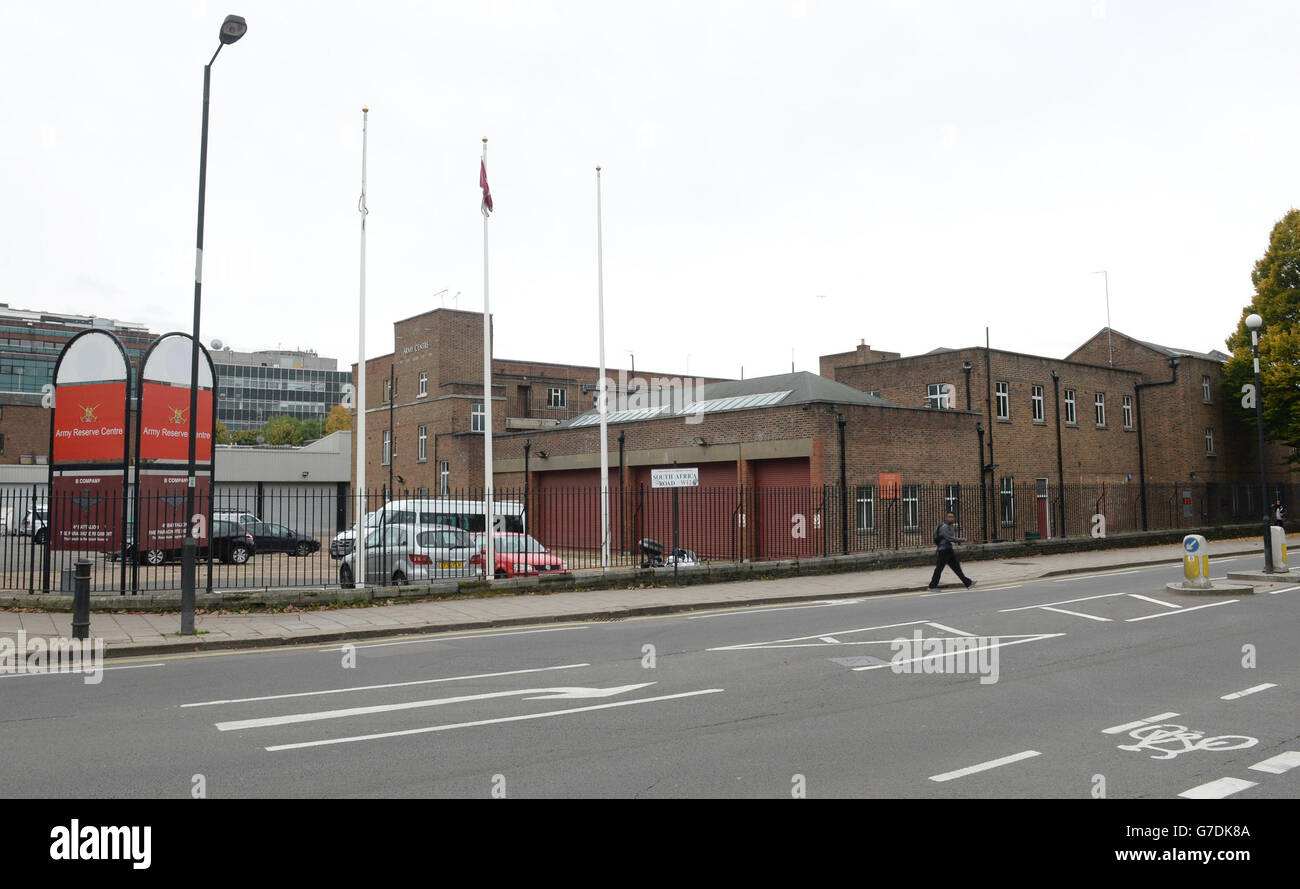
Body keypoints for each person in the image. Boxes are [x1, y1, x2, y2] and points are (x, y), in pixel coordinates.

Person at [928, 511, 974, 591]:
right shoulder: (944, 527)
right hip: (943, 551)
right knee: (939, 569)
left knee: (957, 568)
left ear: (954, 518)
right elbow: (949, 538)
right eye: (949, 517)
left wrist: (958, 540)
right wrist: (962, 539)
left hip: (948, 549)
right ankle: (932, 586)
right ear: (946, 517)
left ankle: (968, 583)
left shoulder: (951, 526)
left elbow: (951, 538)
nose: (950, 518)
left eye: (952, 517)